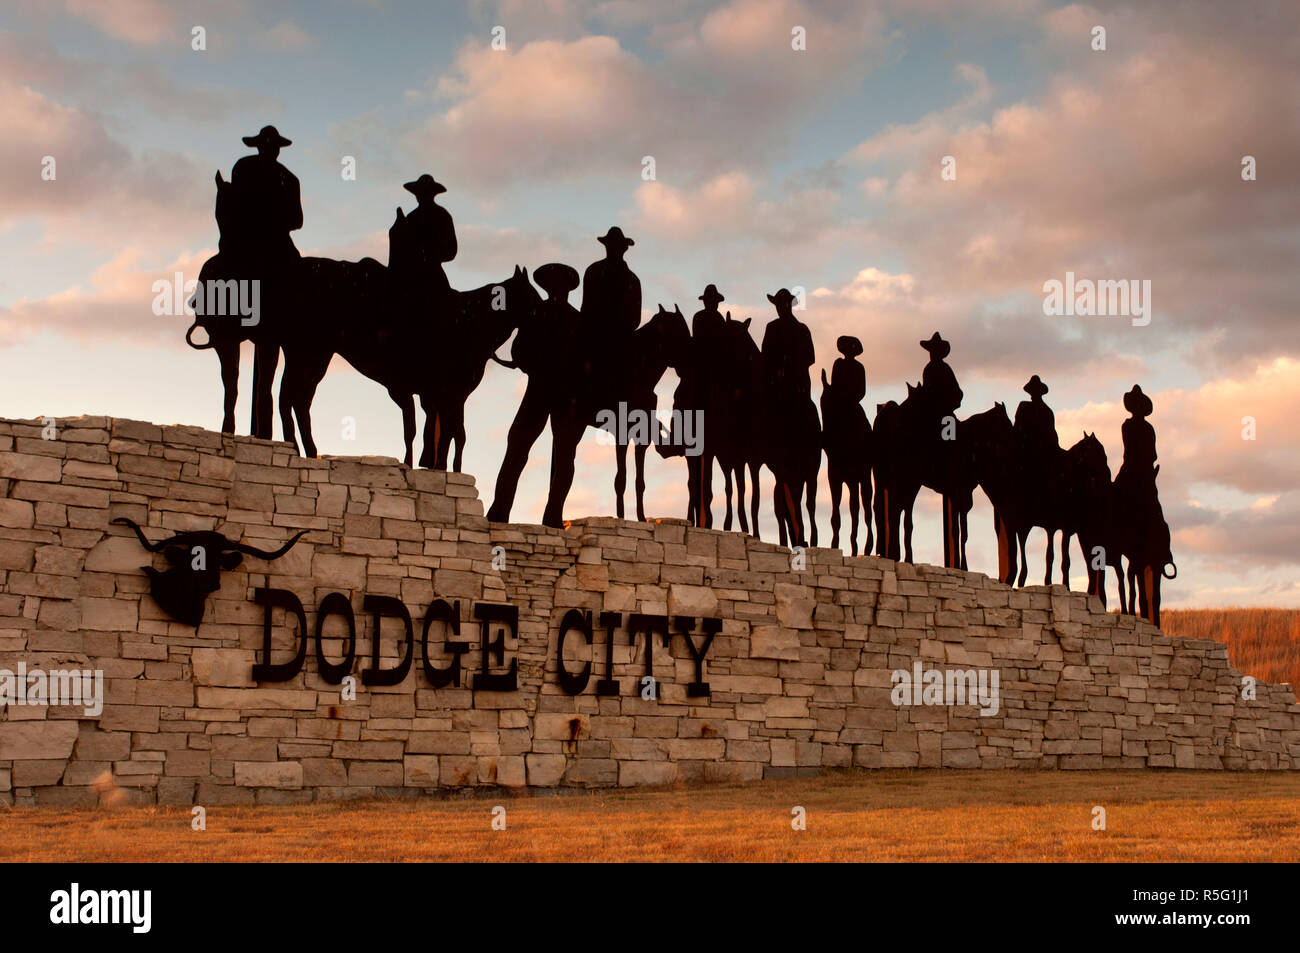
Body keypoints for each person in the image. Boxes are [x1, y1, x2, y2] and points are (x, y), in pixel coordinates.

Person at [486, 263, 581, 523]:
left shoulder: (537, 313)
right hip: (565, 395)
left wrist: (532, 363)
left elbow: (519, 351)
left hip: (541, 390)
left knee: (518, 448)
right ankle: (551, 515)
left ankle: (500, 510)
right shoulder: (577, 319)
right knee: (562, 455)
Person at [228, 125, 302, 267]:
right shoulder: (289, 179)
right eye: (268, 145)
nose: (271, 149)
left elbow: (297, 220)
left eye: (273, 146)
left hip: (269, 245)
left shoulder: (243, 167)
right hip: (252, 243)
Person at [390, 173, 457, 303]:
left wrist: (427, 255)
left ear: (432, 194)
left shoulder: (441, 216)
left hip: (433, 276)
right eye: (420, 193)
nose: (421, 196)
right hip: (411, 276)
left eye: (424, 192)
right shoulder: (411, 218)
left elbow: (451, 250)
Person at [761, 288, 815, 406]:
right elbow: (765, 356)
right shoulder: (772, 328)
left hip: (796, 383)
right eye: (778, 305)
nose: (780, 308)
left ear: (788, 305)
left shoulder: (801, 329)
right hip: (776, 381)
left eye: (782, 304)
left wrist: (791, 365)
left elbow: (810, 357)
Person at [1013, 374, 1059, 460]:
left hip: (1028, 451)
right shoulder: (1047, 411)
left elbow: (1016, 429)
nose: (1033, 394)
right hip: (1030, 450)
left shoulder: (1024, 406)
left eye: (1035, 390)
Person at [918, 332, 962, 420]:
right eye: (932, 350)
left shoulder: (943, 368)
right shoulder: (929, 369)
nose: (932, 353)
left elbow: (956, 392)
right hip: (933, 410)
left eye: (934, 350)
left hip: (944, 410)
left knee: (950, 430)